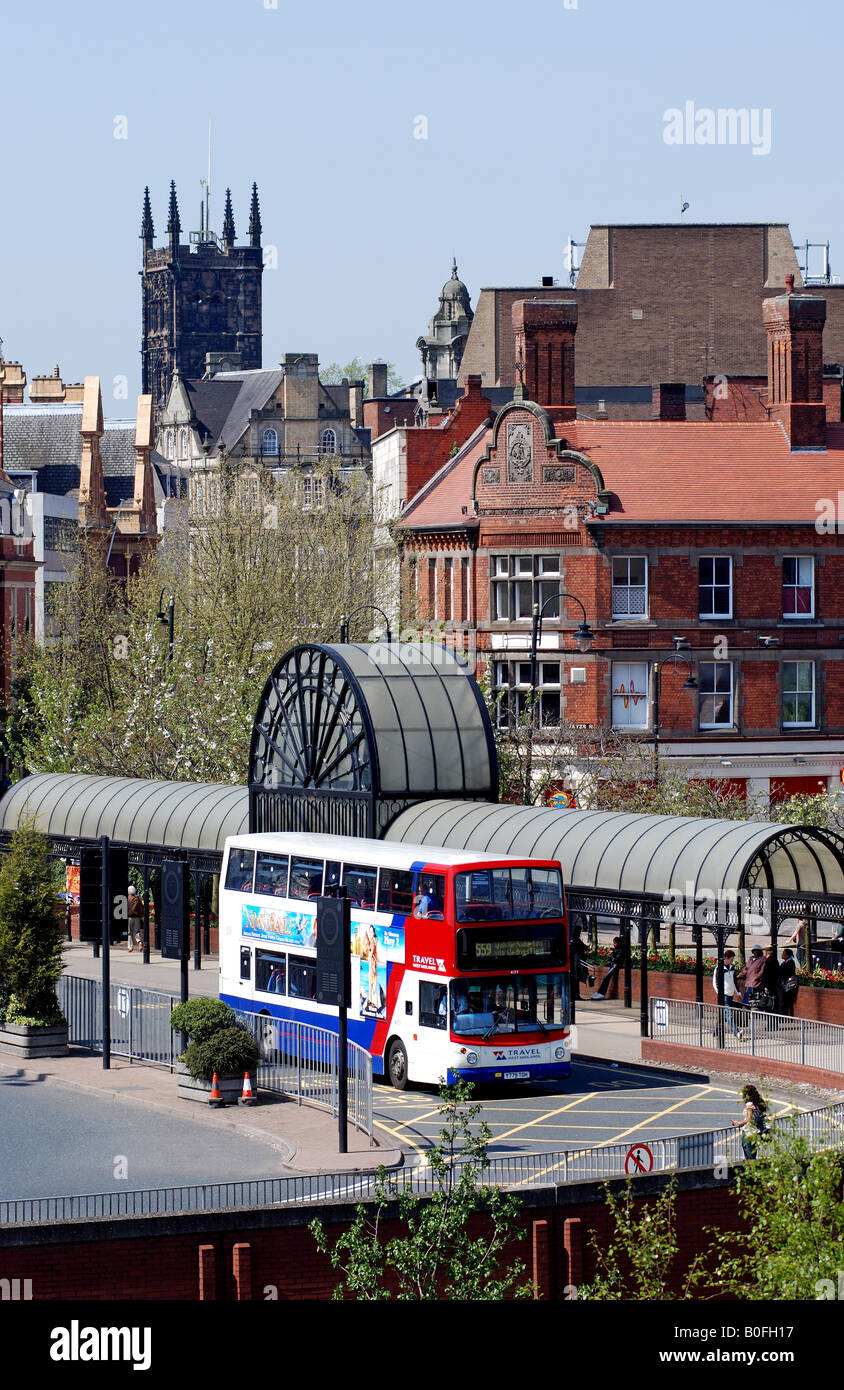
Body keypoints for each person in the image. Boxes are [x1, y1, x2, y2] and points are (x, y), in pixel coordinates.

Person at [732, 1083, 769, 1160]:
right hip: (755, 1132)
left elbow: (748, 1119)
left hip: (748, 1132)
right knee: (753, 1154)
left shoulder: (749, 1104)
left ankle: (751, 1171)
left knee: (749, 1156)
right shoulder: (759, 1103)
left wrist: (738, 1123)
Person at [711, 949, 742, 1037]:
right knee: (728, 1014)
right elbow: (715, 982)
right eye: (731, 959)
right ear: (726, 958)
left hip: (730, 994)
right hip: (724, 994)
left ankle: (716, 1031)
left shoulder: (731, 967)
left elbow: (734, 980)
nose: (732, 961)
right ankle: (736, 1032)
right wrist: (719, 992)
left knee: (723, 1014)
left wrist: (738, 992)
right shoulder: (719, 968)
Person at [592, 936, 625, 1001]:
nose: (613, 944)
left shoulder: (621, 950)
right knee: (606, 978)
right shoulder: (616, 949)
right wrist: (610, 960)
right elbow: (612, 958)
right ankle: (600, 992)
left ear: (618, 943)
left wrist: (612, 960)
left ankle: (601, 993)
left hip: (616, 965)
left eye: (615, 943)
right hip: (613, 965)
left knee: (606, 978)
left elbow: (617, 959)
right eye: (613, 943)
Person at [569, 922, 594, 1001]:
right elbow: (583, 949)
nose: (580, 933)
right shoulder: (576, 940)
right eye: (580, 931)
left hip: (574, 962)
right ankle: (576, 995)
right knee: (576, 979)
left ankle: (575, 995)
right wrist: (587, 953)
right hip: (577, 963)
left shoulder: (573, 940)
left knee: (574, 979)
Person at [777, 947, 799, 1018]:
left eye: (783, 953)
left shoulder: (790, 963)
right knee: (782, 1001)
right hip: (782, 984)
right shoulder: (785, 962)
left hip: (785, 985)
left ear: (787, 955)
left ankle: (783, 1017)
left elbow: (783, 972)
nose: (782, 954)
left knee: (783, 1002)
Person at [127, 884, 144, 953]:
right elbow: (142, 907)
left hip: (129, 917)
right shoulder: (138, 899)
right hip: (137, 917)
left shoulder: (127, 898)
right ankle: (139, 942)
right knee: (136, 932)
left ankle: (130, 947)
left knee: (129, 932)